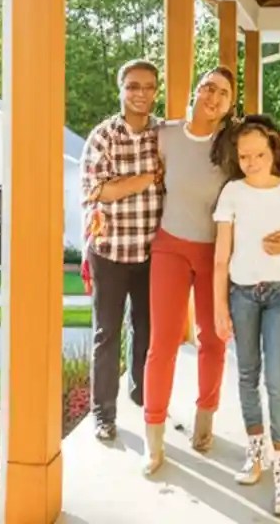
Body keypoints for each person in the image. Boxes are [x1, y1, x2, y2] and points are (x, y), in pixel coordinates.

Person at [212, 115, 280, 516]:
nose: (252, 161)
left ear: (275, 149)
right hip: (241, 294)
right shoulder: (232, 193)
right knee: (246, 375)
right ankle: (255, 450)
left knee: (277, 379)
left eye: (259, 153)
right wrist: (219, 305)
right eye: (244, 156)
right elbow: (221, 256)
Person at [141, 67, 236, 474]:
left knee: (212, 339)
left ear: (231, 105)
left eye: (224, 94)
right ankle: (154, 437)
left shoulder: (232, 146)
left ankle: (205, 419)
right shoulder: (166, 136)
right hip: (170, 245)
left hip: (216, 252)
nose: (214, 97)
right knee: (161, 343)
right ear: (196, 91)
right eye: (208, 88)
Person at [80, 59, 164, 441]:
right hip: (110, 251)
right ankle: (104, 414)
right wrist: (147, 178)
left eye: (148, 86)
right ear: (121, 89)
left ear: (156, 91)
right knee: (106, 333)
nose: (141, 93)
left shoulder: (164, 135)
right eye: (133, 86)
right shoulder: (102, 137)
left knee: (147, 328)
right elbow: (100, 191)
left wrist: (124, 182)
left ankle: (142, 394)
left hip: (153, 252)